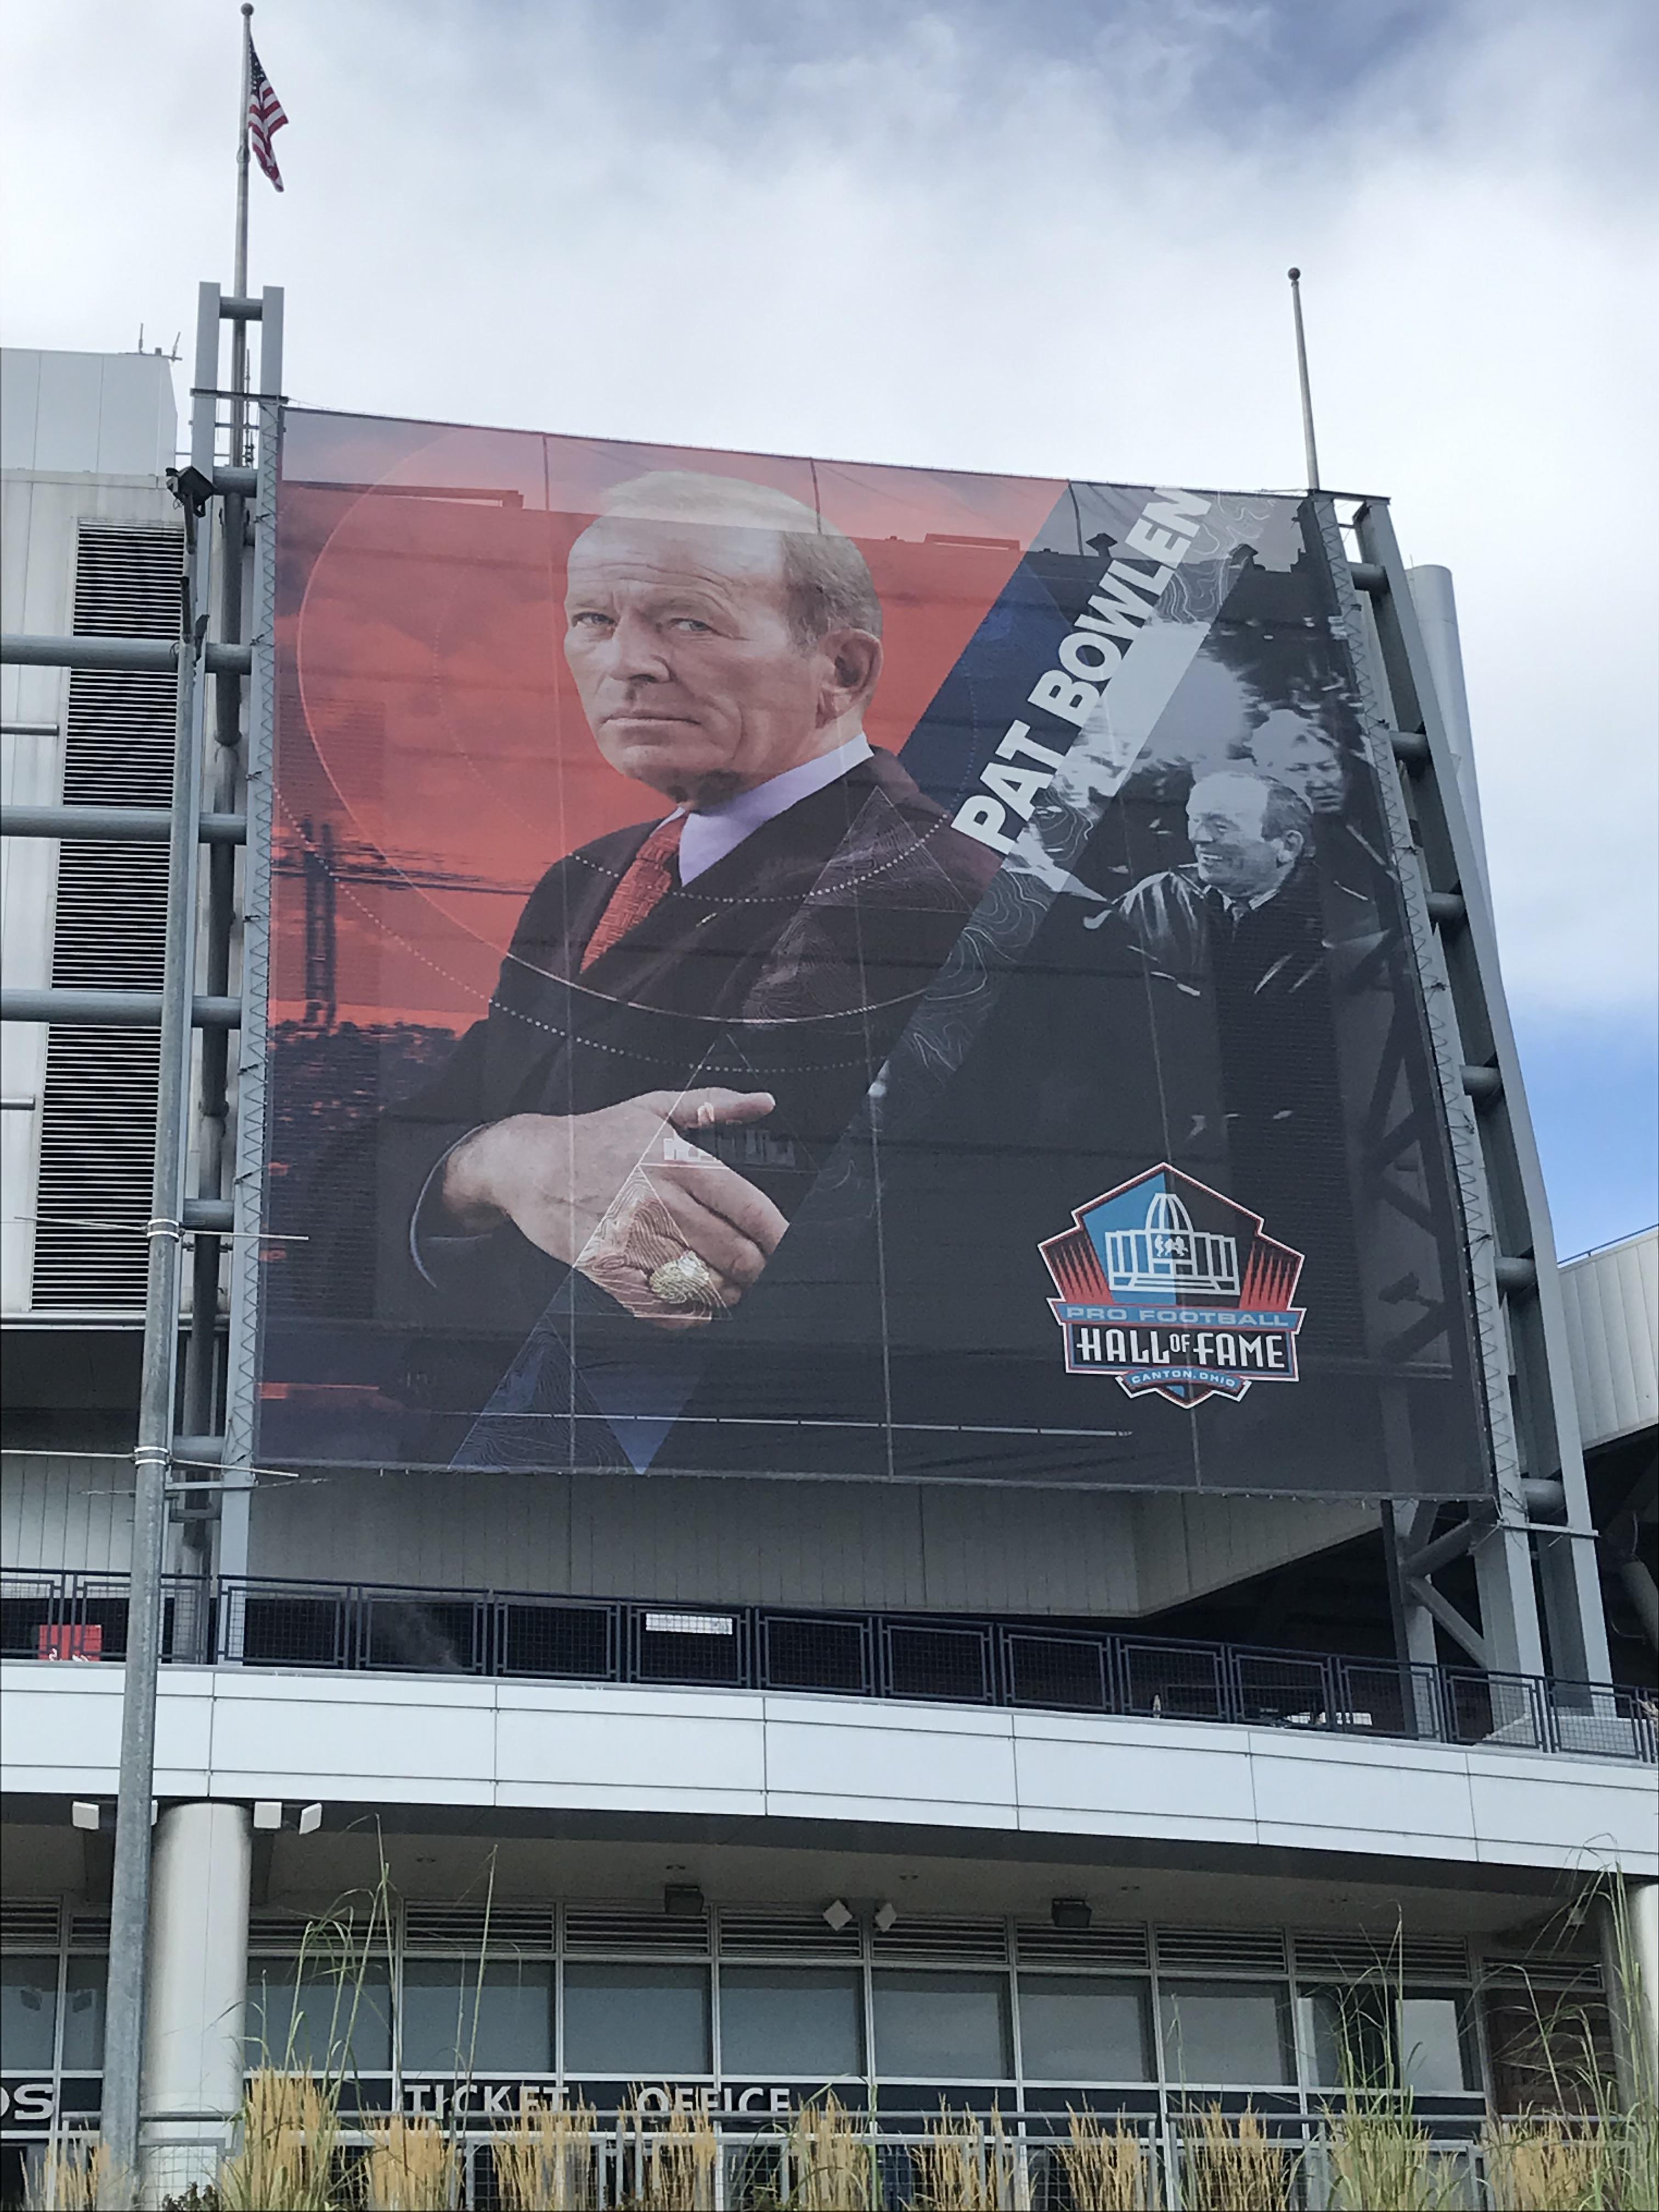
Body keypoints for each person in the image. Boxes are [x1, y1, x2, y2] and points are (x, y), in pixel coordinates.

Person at [299, 470, 1000, 1375]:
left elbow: (686, 1284)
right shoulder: (585, 880)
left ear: (841, 669)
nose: (627, 662)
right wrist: (500, 1163)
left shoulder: (925, 893)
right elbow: (339, 1221)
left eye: (687, 621)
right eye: (594, 619)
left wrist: (468, 1179)